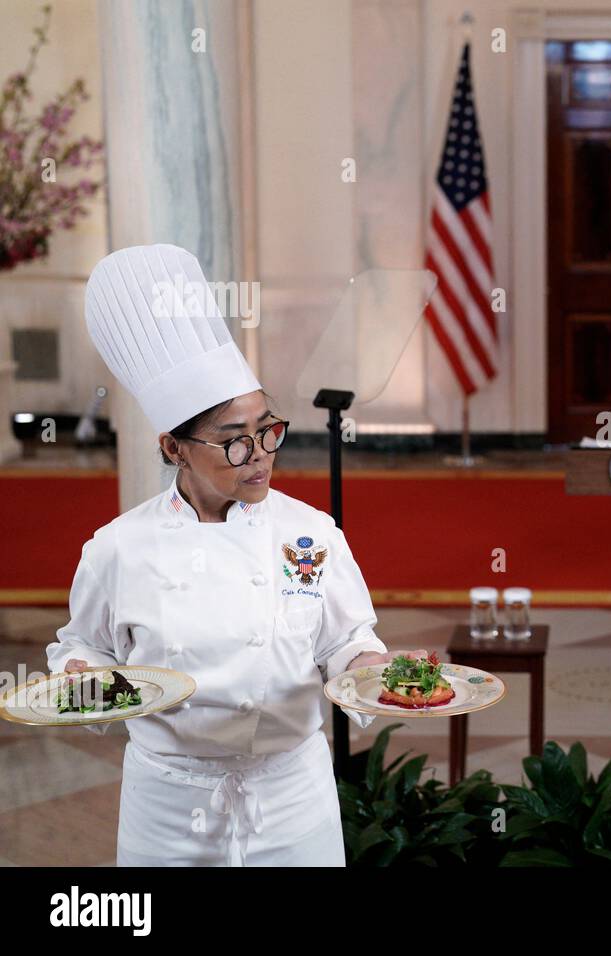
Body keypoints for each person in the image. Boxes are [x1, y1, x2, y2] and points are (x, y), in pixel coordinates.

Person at [47, 244, 422, 865]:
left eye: (267, 431)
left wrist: (375, 666)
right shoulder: (118, 547)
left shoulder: (313, 533)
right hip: (168, 808)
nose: (260, 455)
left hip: (291, 799)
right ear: (173, 448)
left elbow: (346, 642)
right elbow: (82, 647)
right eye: (233, 442)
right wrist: (79, 675)